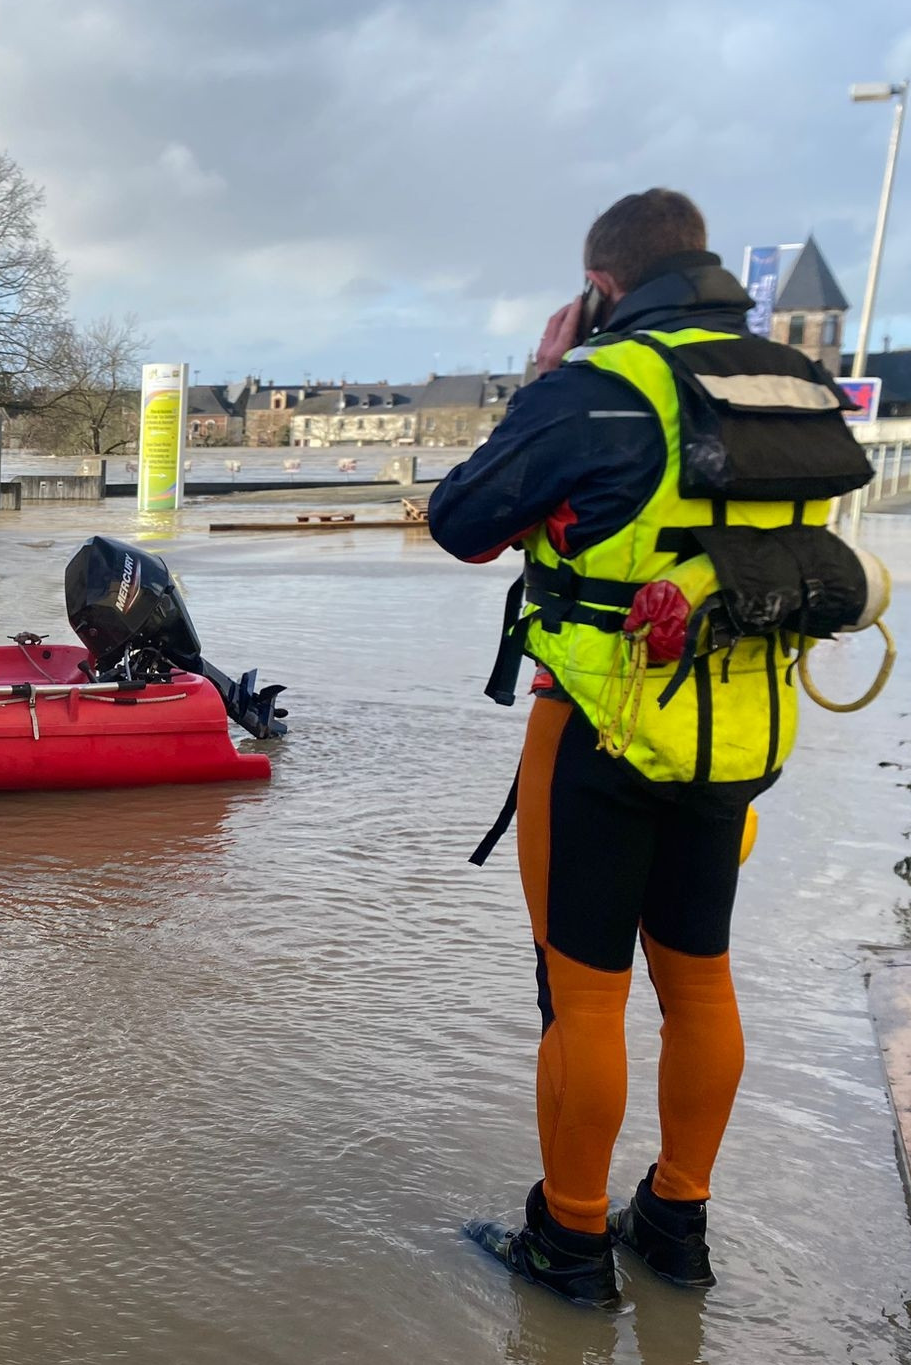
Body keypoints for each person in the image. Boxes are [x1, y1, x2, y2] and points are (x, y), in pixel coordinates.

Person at [430, 189, 875, 1307]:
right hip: (738, 731)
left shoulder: (596, 388)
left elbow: (459, 521)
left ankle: (569, 1244)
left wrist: (543, 377)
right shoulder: (792, 379)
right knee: (699, 982)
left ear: (602, 286)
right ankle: (673, 1225)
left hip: (601, 730)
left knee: (581, 1002)